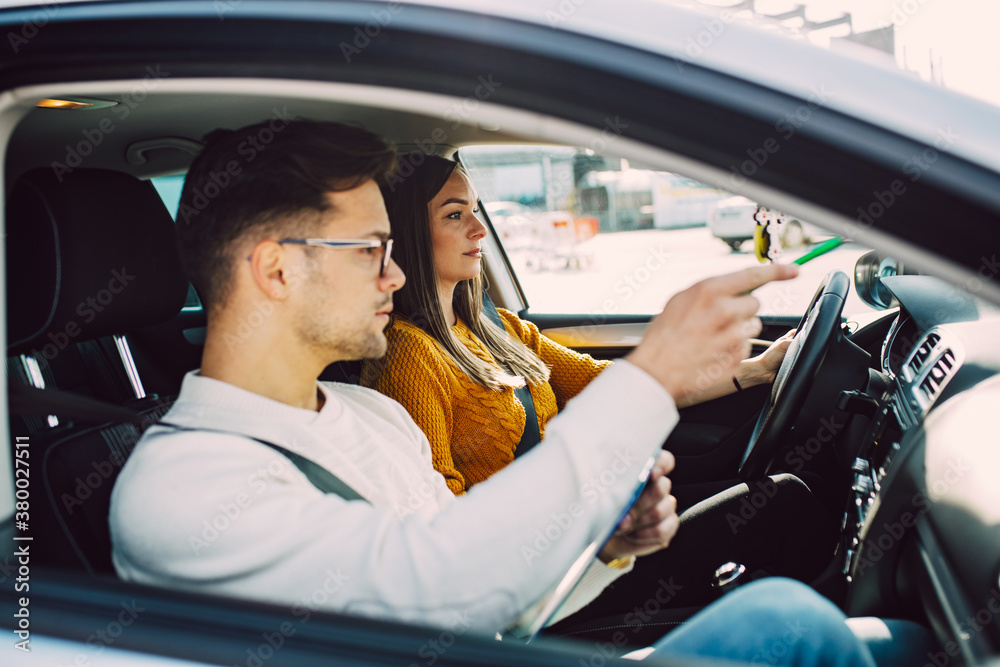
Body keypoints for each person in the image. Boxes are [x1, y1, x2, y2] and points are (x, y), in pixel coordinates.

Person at [108, 119, 927, 666]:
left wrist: (603, 547)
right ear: (275, 269)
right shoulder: (182, 488)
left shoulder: (370, 413)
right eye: (370, 251)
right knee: (793, 624)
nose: (395, 275)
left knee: (876, 638)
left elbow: (492, 603)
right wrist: (649, 378)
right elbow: (437, 584)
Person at [362, 153, 795, 495]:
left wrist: (756, 370)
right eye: (455, 215)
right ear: (410, 233)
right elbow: (440, 509)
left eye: (475, 210)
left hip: (585, 521)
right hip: (542, 558)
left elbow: (607, 383)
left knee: (783, 492)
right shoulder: (409, 355)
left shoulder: (500, 328)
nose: (480, 229)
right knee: (785, 499)